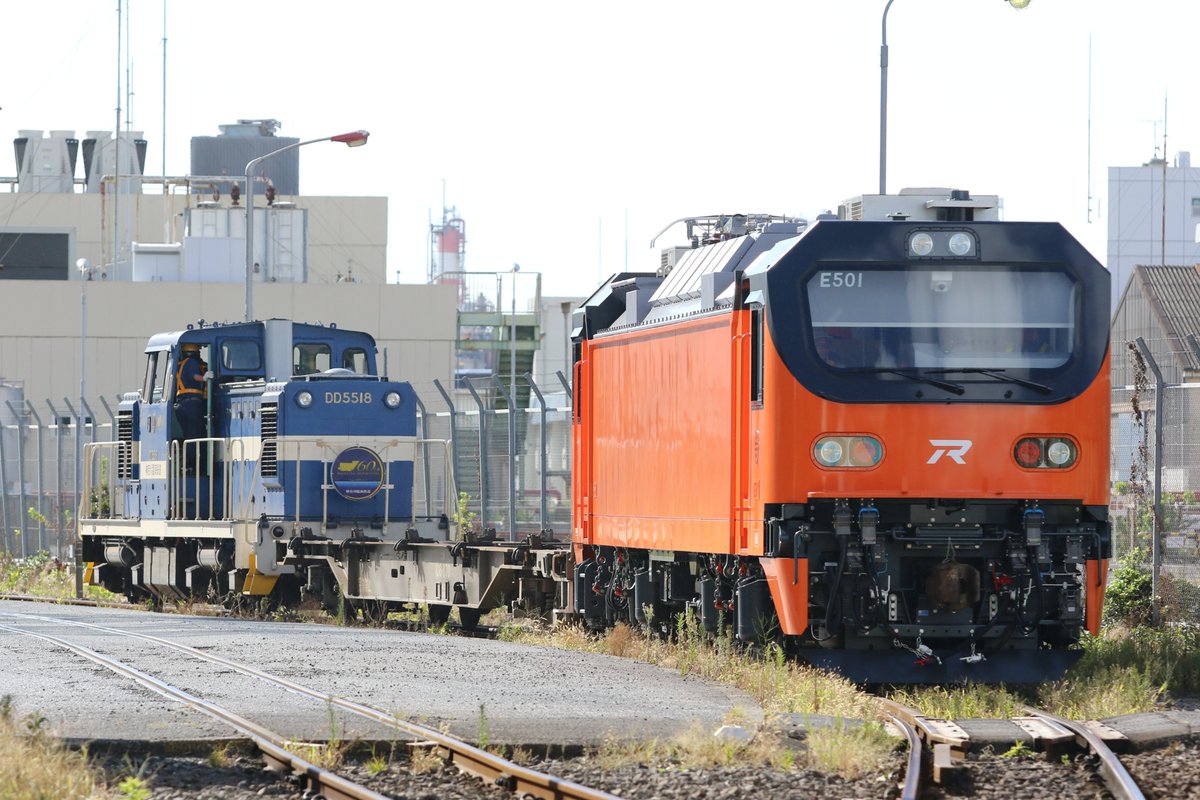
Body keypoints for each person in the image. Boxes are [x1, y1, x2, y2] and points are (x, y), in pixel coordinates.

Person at [174, 343, 208, 473]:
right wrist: (204, 378)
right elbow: (195, 376)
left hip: (184, 404)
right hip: (192, 404)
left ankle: (192, 465)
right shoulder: (191, 362)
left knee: (192, 435)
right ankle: (190, 466)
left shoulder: (180, 364)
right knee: (194, 436)